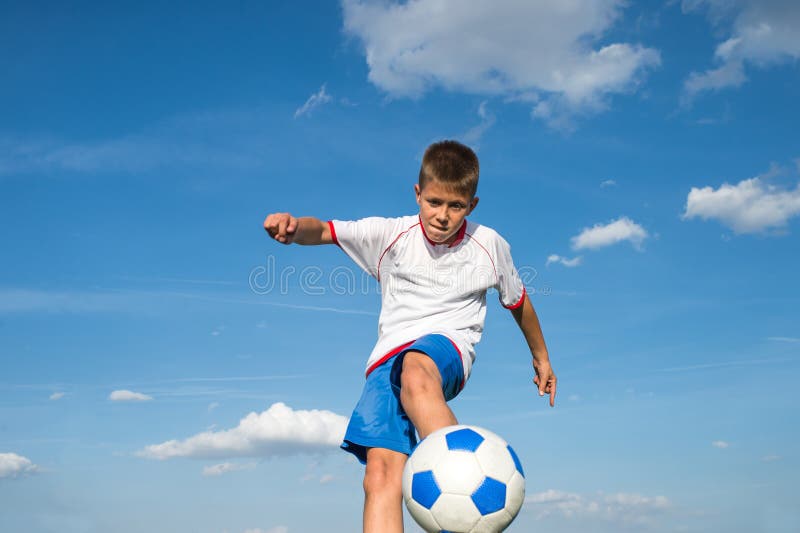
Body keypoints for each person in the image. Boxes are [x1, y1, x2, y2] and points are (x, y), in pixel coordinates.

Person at [263, 140, 556, 533]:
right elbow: (329, 231)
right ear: (417, 194)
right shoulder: (389, 234)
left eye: (456, 206)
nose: (442, 216)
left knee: (416, 372)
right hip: (385, 363)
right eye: (434, 202)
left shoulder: (489, 245)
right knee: (381, 475)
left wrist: (541, 357)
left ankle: (461, 498)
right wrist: (295, 227)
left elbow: (518, 302)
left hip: (444, 346)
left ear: (472, 205)